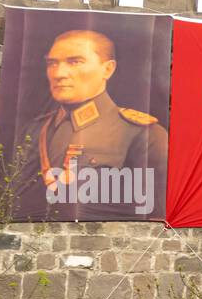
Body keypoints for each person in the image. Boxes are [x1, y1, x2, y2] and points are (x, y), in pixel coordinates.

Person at [12, 29, 167, 216]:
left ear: (107, 69)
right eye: (52, 63)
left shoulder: (142, 133)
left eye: (75, 62)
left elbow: (155, 216)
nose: (59, 73)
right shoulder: (35, 130)